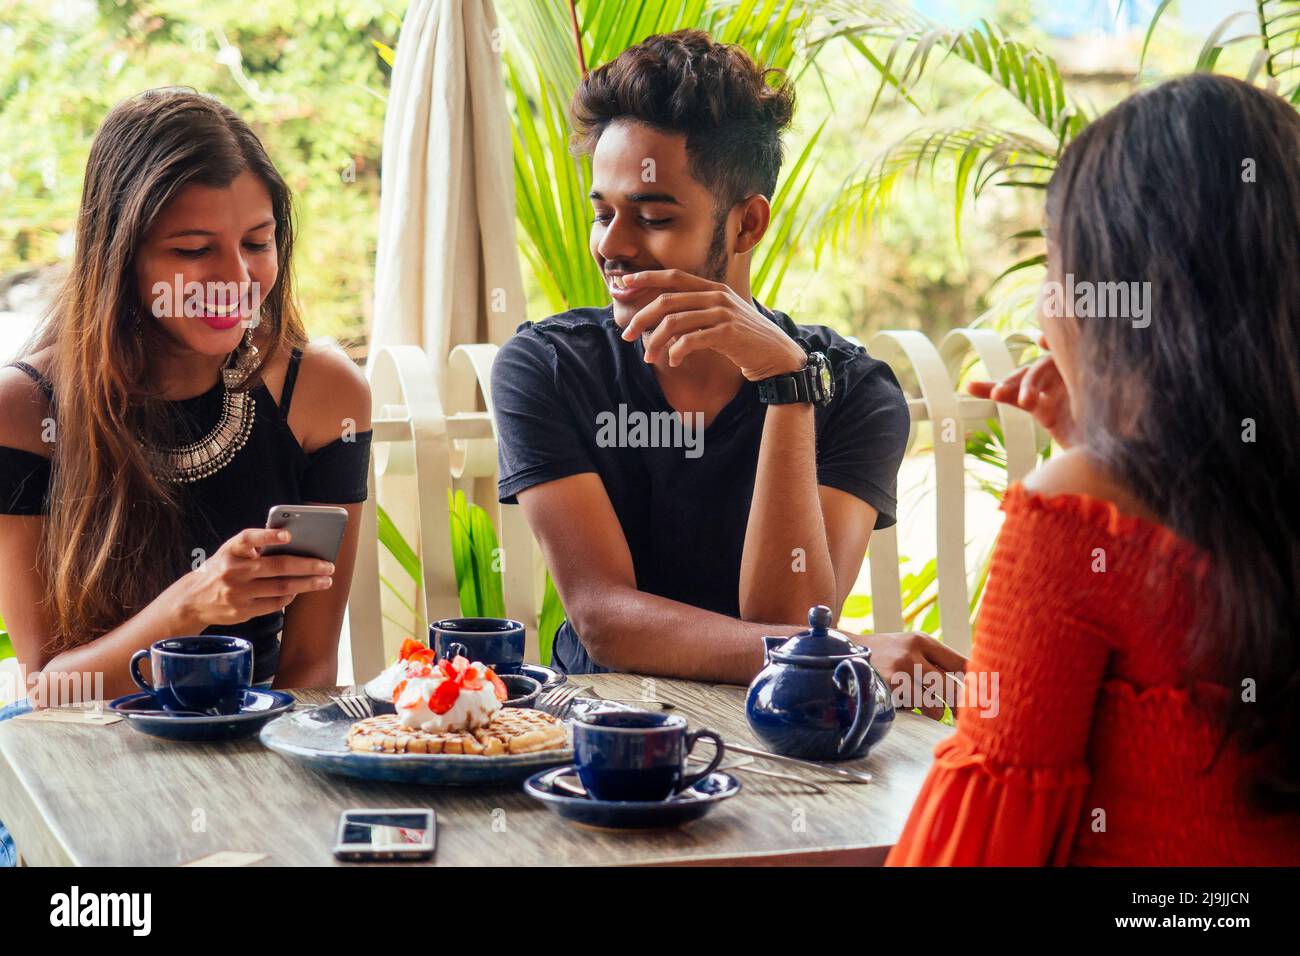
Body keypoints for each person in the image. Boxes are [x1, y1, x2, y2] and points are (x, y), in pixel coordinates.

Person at [887, 73, 1300, 865]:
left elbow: (978, 846)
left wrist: (1082, 479)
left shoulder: (1076, 514)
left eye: (1054, 268)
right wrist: (1094, 443)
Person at [491, 30, 964, 698]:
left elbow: (787, 619)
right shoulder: (548, 367)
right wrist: (847, 650)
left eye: (653, 217)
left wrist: (788, 388)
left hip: (788, 740)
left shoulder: (854, 392)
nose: (613, 246)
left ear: (747, 226)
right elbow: (604, 621)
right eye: (603, 213)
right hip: (602, 744)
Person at [0, 89, 373, 863]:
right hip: (71, 757)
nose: (236, 279)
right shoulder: (25, 407)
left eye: (258, 243)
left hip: (251, 745)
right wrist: (188, 607)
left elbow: (308, 670)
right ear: (122, 254)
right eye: (193, 249)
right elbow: (47, 690)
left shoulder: (323, 394)